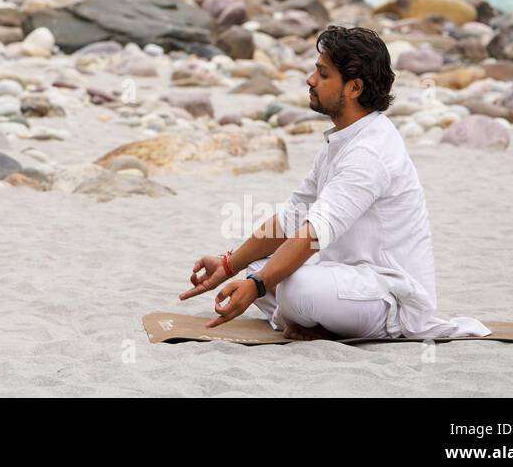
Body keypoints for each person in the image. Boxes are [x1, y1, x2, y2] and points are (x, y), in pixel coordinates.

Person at [180, 24, 490, 342]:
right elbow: (290, 220)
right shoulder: (342, 141)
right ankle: (310, 319)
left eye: (323, 74)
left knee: (292, 286)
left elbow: (314, 233)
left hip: (390, 297)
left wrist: (258, 286)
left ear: (354, 88)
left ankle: (309, 318)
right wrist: (229, 265)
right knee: (257, 266)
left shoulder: (370, 151)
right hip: (346, 282)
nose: (310, 80)